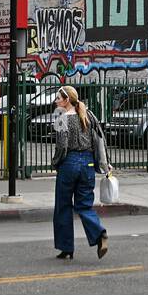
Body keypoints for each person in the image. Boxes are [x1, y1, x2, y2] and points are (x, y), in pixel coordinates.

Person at [52, 85, 110, 260]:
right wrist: (105, 162)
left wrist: (56, 162)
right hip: (88, 163)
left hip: (69, 163)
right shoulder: (88, 114)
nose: (55, 102)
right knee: (84, 205)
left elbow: (62, 145)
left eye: (58, 98)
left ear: (66, 100)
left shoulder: (60, 116)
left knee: (63, 206)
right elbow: (99, 139)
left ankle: (66, 247)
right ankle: (99, 233)